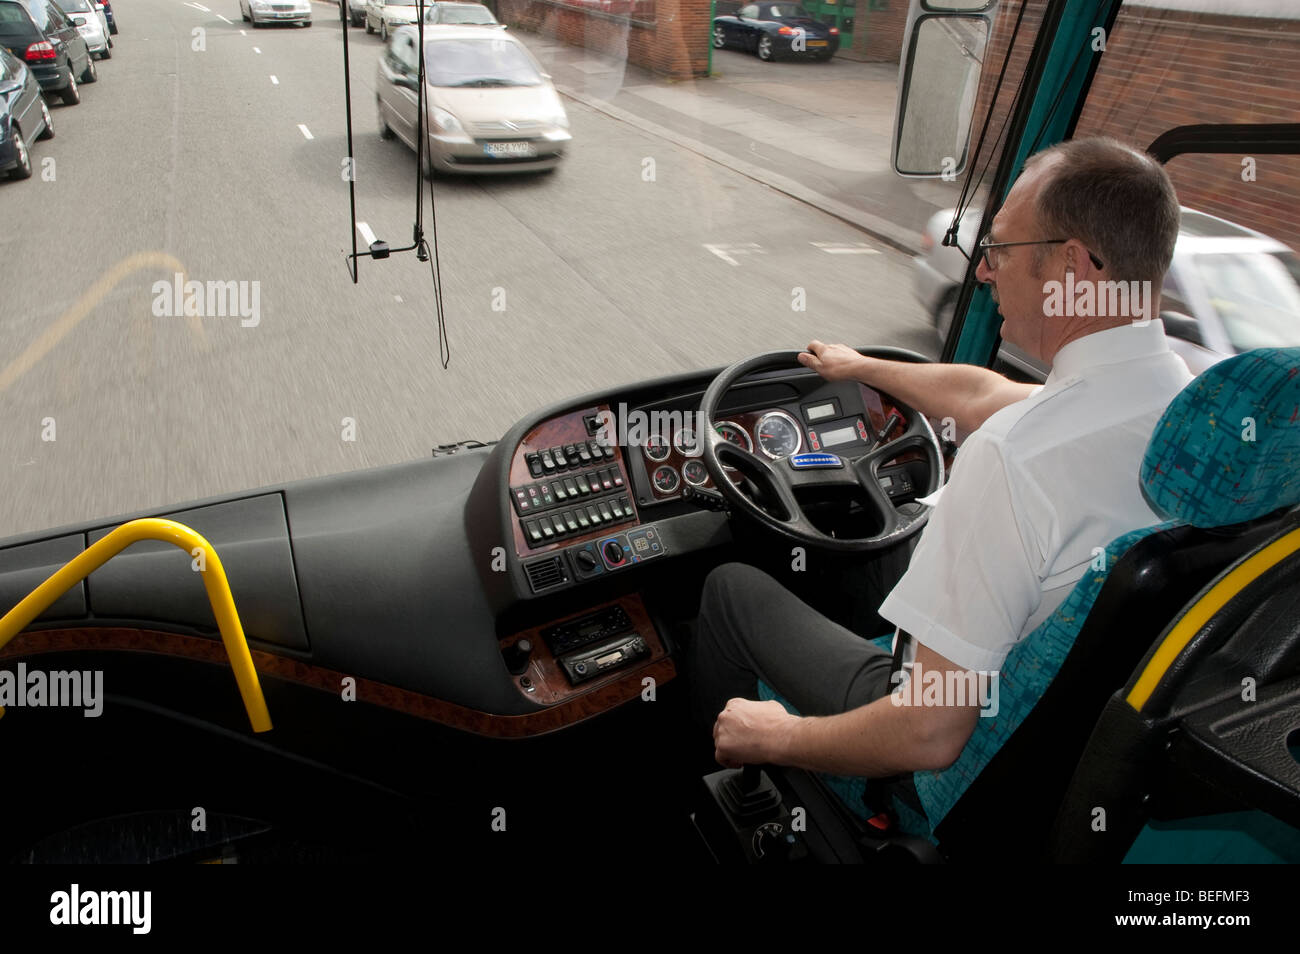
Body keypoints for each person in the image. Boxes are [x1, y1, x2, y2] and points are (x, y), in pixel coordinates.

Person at [689, 136, 1191, 785]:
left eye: (1000, 250)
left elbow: (926, 732)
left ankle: (718, 796)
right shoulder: (1185, 407)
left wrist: (778, 734)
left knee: (731, 589)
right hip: (1096, 735)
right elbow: (988, 394)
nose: (983, 272)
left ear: (1072, 268)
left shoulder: (1014, 457)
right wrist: (859, 367)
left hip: (958, 750)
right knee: (879, 544)